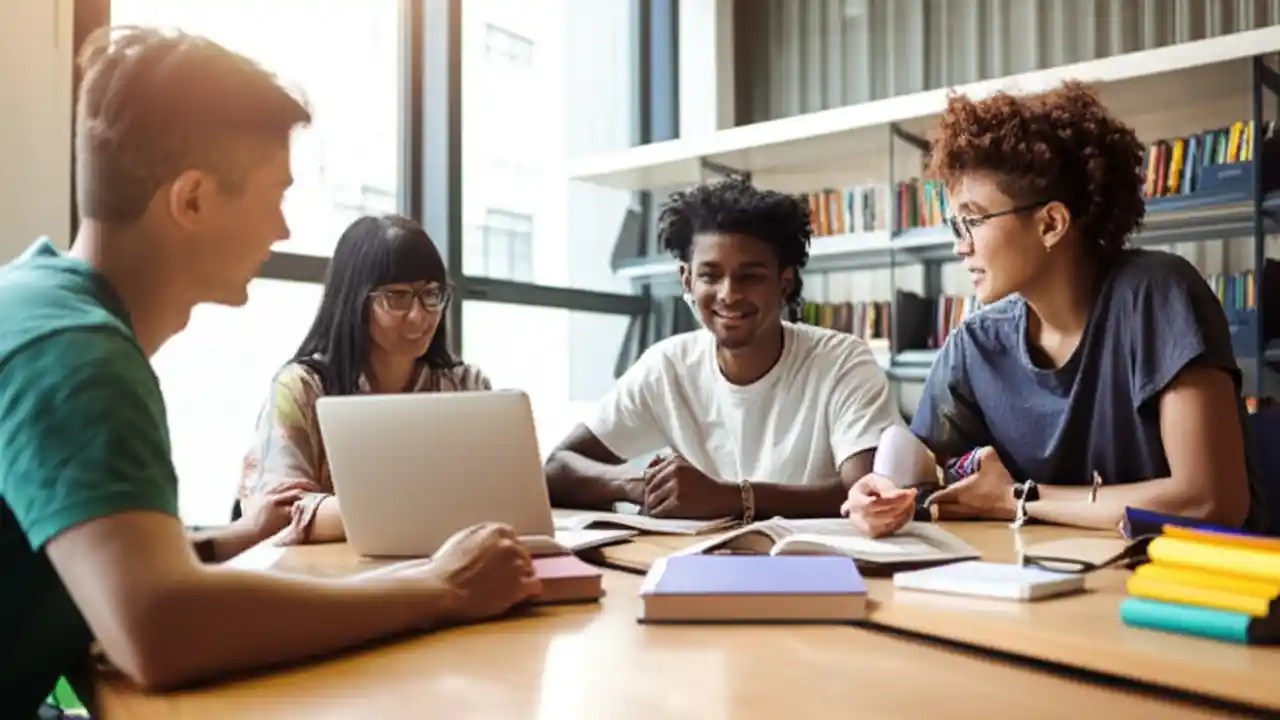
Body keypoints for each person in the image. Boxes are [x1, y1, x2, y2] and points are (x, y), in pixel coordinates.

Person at [0, 27, 538, 718]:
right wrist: (442, 588)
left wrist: (227, 539)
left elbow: (94, 552)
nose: (282, 229)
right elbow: (159, 629)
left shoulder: (35, 304)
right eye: (274, 195)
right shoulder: (75, 353)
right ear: (191, 200)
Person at [842, 81, 1269, 537]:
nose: (958, 245)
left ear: (1050, 224)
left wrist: (1018, 499)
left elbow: (1212, 500)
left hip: (1200, 588)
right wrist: (880, 495)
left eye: (972, 220)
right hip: (1053, 580)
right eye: (955, 224)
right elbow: (915, 475)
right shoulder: (976, 346)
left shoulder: (1157, 297)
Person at [544, 179, 905, 520]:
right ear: (687, 279)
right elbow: (558, 466)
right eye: (710, 275)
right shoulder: (667, 366)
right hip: (697, 565)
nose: (729, 294)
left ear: (785, 281)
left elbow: (866, 493)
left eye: (750, 276)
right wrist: (639, 486)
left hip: (814, 569)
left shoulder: (842, 362)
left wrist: (733, 497)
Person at [238, 214, 490, 545]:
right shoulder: (302, 388)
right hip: (330, 582)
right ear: (354, 300)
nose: (419, 314)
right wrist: (417, 512)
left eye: (431, 293)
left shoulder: (465, 386)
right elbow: (275, 516)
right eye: (397, 297)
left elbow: (495, 496)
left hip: (449, 565)